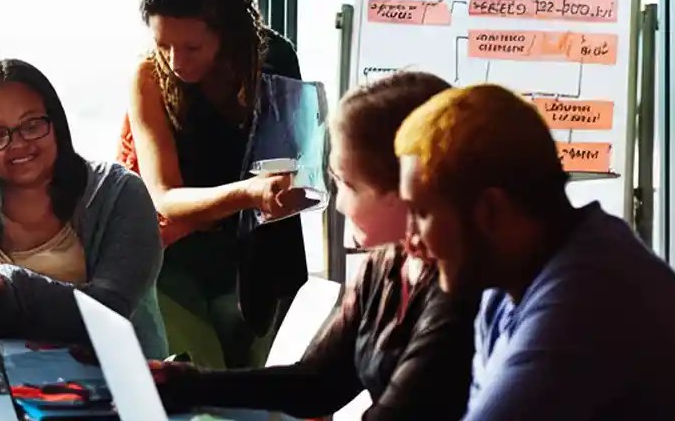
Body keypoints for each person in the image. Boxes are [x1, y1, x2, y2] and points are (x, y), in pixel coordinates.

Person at [155, 71, 474, 419]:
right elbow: (319, 383)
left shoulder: (461, 291)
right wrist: (184, 382)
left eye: (348, 185)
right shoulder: (384, 265)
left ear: (409, 188)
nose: (338, 204)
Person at [395, 84, 675, 420]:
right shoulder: (503, 291)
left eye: (420, 213)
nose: (411, 239)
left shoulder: (590, 297)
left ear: (490, 211)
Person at [118, 0, 307, 368]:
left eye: (192, 47)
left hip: (262, 259)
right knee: (197, 390)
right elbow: (164, 197)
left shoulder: (273, 59)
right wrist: (251, 193)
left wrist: (281, 191)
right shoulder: (148, 76)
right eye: (162, 44)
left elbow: (297, 172)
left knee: (265, 397)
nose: (176, 61)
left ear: (225, 30)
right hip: (175, 263)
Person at [0, 60, 166, 359]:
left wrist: (11, 283)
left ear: (56, 124)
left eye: (32, 125)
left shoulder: (118, 193)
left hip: (115, 390)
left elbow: (110, 310)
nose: (18, 144)